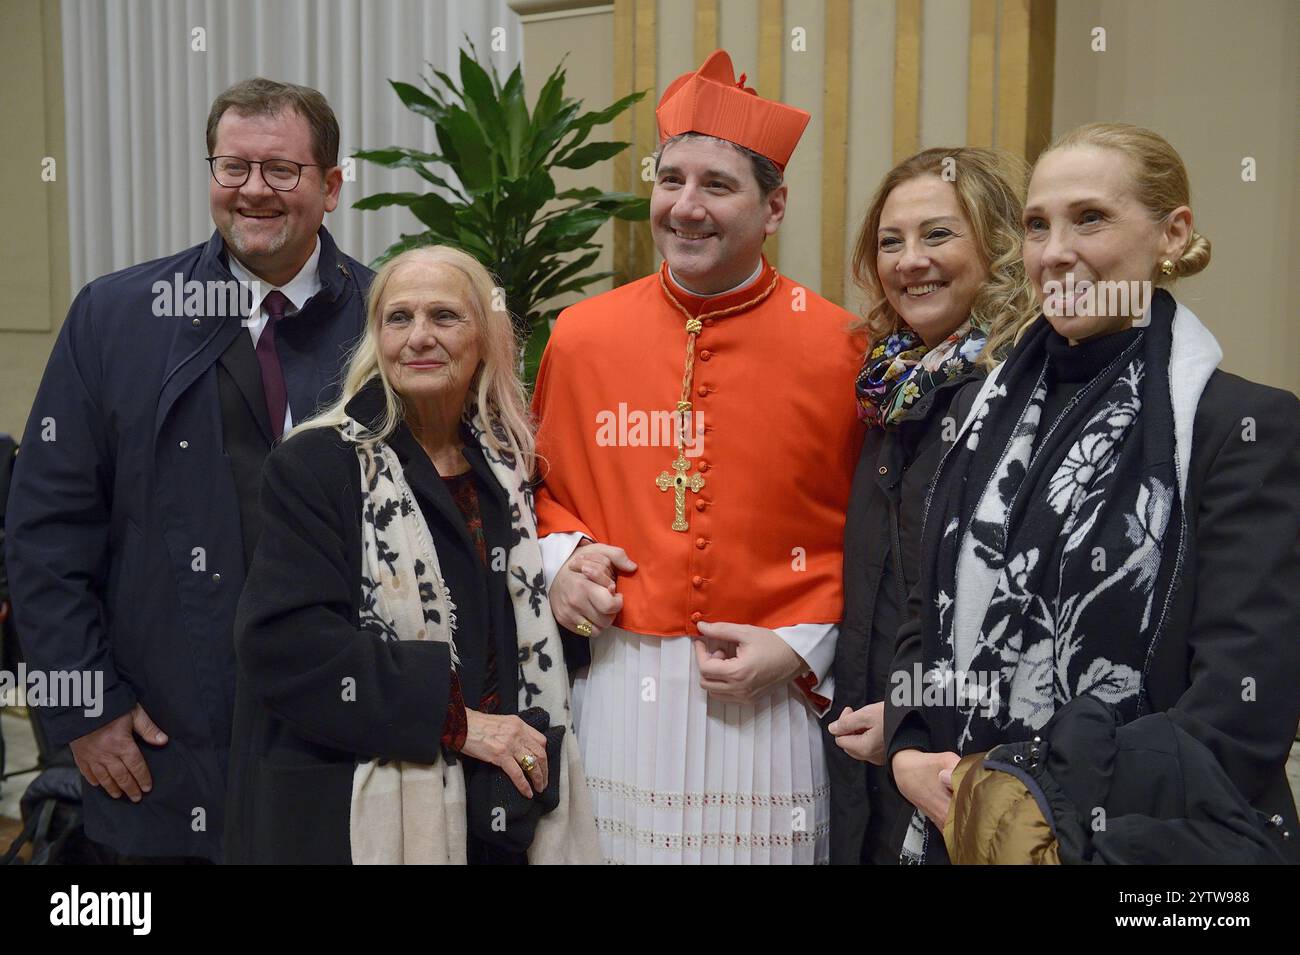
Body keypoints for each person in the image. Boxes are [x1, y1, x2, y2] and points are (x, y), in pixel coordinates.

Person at [886, 123, 1300, 864]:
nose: (1054, 253)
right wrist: (910, 745)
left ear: (1173, 234)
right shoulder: (974, 413)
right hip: (958, 830)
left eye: (1091, 219)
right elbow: (926, 613)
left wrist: (1027, 793)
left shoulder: (1240, 425)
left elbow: (1245, 703)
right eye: (1037, 224)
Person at [3, 78, 371, 861]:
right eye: (233, 168)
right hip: (159, 743)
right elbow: (44, 531)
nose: (254, 192)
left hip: (345, 744)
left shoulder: (391, 324)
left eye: (282, 171)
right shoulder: (114, 317)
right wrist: (87, 708)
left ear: (332, 186)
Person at [532, 50, 864, 864]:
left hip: (773, 696)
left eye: (716, 185)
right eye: (670, 179)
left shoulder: (846, 347)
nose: (685, 207)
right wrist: (562, 561)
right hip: (618, 691)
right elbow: (535, 489)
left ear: (774, 205)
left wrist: (802, 647)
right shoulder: (581, 336)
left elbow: (886, 534)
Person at [225, 246, 600, 864]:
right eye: (398, 318)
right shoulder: (319, 462)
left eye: (444, 317)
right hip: (350, 806)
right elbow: (283, 643)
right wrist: (456, 721)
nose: (419, 337)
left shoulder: (507, 466)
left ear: (485, 336)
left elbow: (506, 630)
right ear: (376, 338)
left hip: (497, 804)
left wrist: (571, 587)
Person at [824, 147, 1036, 864]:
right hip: (874, 734)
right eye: (891, 241)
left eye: (938, 234)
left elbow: (1024, 601)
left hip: (966, 751)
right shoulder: (888, 385)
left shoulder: (1020, 393)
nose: (909, 260)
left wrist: (915, 713)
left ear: (999, 243)